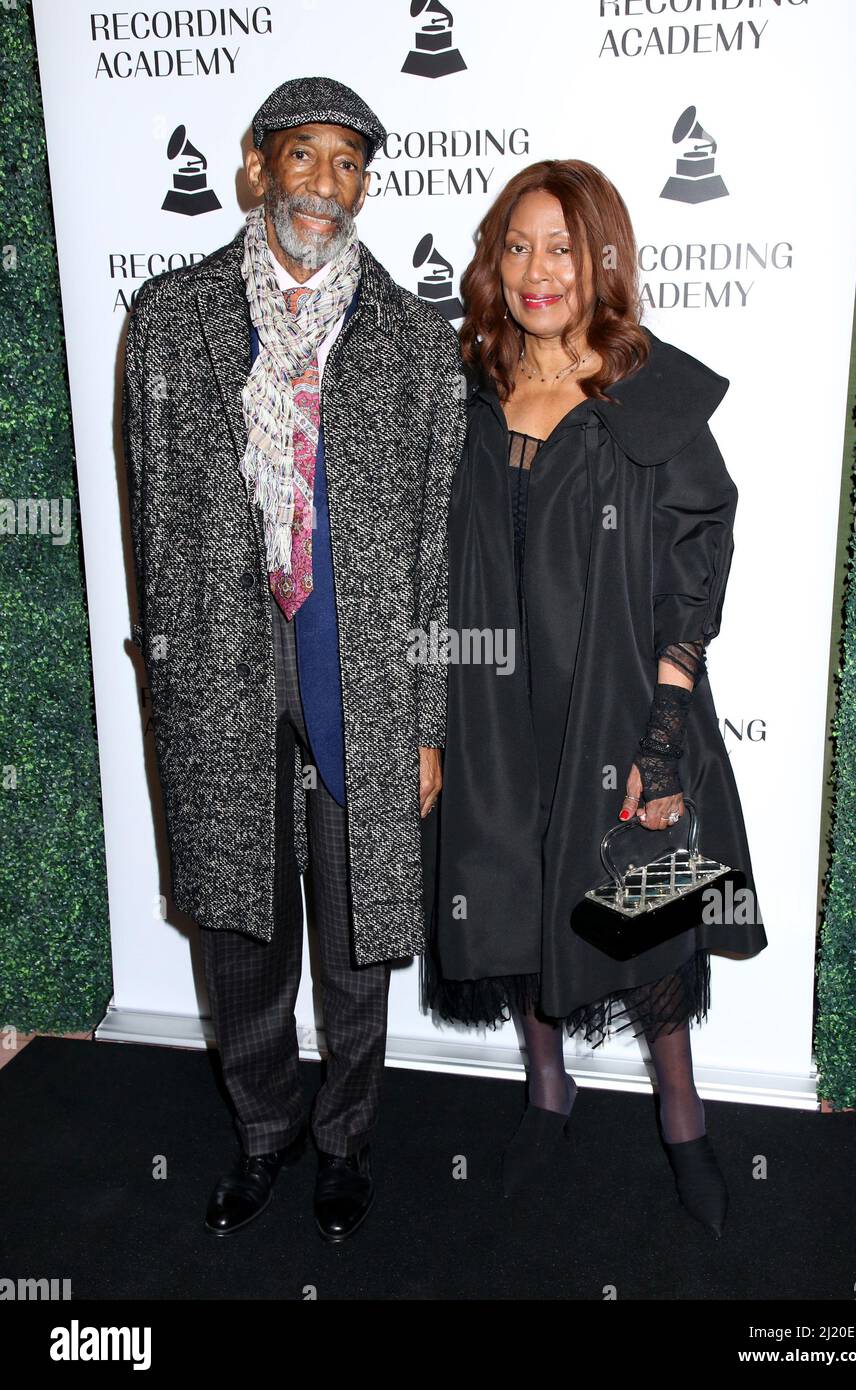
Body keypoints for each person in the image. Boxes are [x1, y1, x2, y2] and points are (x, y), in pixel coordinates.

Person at [123, 77, 466, 1243]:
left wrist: (422, 719)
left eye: (349, 163)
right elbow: (154, 520)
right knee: (241, 936)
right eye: (304, 157)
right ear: (257, 169)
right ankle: (265, 1134)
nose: (327, 184)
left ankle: (344, 1142)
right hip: (223, 673)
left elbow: (430, 551)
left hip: (357, 682)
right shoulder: (174, 318)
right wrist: (174, 690)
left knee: (360, 938)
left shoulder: (418, 346)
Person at [423, 159, 767, 1237]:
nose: (536, 271)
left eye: (561, 248)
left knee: (638, 916)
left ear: (598, 258)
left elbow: (692, 558)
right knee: (517, 897)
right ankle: (547, 1091)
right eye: (517, 246)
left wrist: (663, 728)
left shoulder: (643, 390)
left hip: (616, 704)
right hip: (491, 708)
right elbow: (427, 553)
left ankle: (679, 1112)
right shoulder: (464, 388)